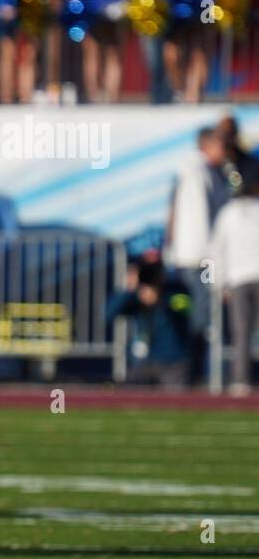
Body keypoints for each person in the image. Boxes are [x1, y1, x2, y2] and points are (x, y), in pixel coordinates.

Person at [166, 126, 234, 373]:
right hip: (199, 258)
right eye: (219, 145)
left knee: (203, 310)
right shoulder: (196, 172)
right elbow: (201, 218)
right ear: (206, 146)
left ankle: (196, 367)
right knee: (203, 312)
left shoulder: (198, 171)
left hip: (195, 255)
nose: (223, 151)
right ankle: (194, 368)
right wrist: (212, 257)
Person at [208, 157, 259, 394]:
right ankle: (240, 380)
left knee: (241, 333)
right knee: (243, 333)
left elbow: (216, 251)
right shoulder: (230, 213)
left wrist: (220, 284)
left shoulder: (227, 214)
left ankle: (240, 381)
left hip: (238, 279)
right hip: (246, 276)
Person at [107, 254, 193, 387]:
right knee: (125, 398)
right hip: (144, 362)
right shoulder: (135, 297)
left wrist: (160, 299)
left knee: (176, 403)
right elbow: (107, 314)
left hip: (174, 362)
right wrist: (129, 289)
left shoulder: (175, 288)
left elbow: (186, 308)